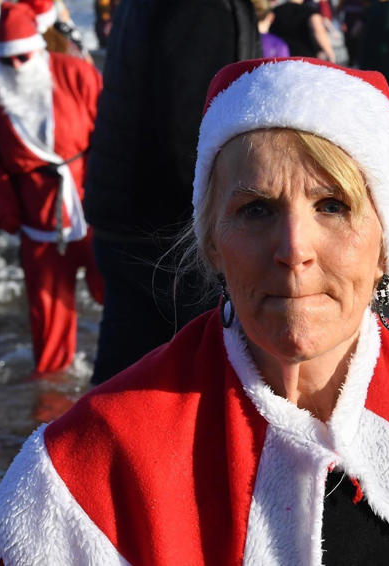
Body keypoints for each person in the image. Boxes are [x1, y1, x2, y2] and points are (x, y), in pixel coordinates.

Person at [0, 57, 389, 565]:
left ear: (386, 243)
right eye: (256, 209)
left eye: (333, 206)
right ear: (211, 241)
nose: (293, 250)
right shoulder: (99, 455)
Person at [83, 0, 262, 385]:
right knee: (197, 389)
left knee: (124, 384)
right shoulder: (203, 8)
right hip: (169, 230)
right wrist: (223, 224)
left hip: (130, 213)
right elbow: (189, 131)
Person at [0, 2, 103, 376]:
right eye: (6, 60)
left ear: (39, 47)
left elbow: (112, 142)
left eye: (23, 57)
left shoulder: (77, 74)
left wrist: (116, 205)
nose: (15, 67)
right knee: (48, 330)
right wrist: (6, 216)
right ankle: (49, 413)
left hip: (90, 209)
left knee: (125, 311)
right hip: (38, 223)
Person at [270, 0, 336, 60]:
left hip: (281, 59)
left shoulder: (274, 12)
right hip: (306, 59)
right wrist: (330, 54)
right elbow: (318, 31)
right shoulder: (309, 11)